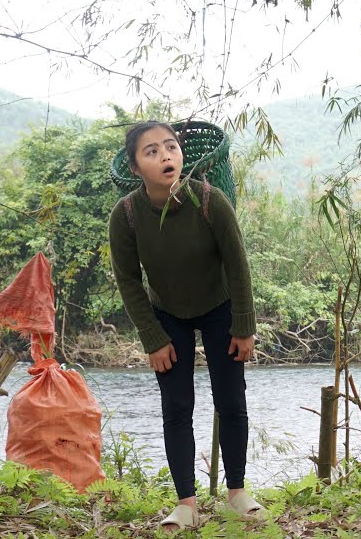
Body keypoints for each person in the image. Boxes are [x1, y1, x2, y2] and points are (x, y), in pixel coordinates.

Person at [108, 120, 261, 531]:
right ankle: (186, 504)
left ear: (182, 154)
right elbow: (128, 280)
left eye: (170, 147)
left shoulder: (209, 201)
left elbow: (238, 264)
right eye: (151, 151)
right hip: (167, 313)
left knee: (231, 400)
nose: (165, 157)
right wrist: (152, 338)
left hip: (220, 306)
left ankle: (237, 493)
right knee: (176, 407)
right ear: (136, 166)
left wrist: (243, 327)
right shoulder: (126, 216)